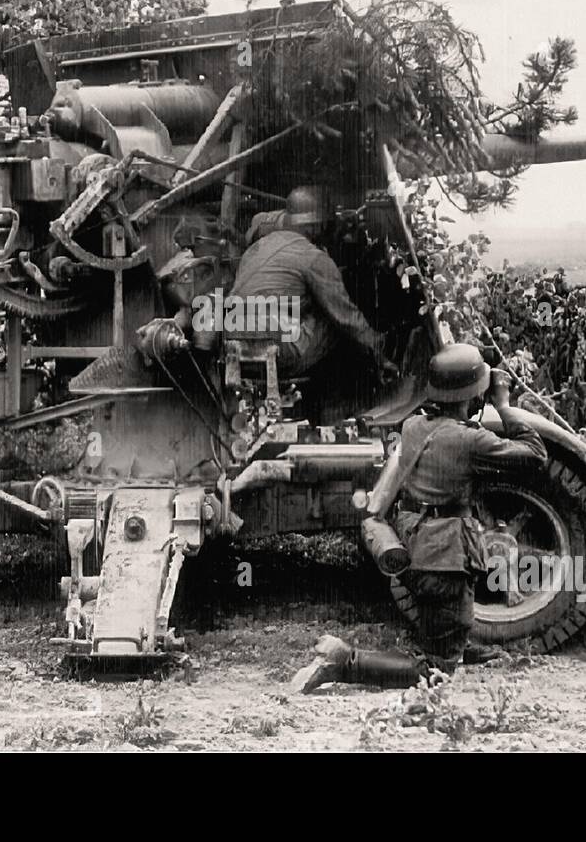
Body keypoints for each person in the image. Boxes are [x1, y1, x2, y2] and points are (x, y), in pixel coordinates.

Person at [292, 343, 548, 693]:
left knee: (445, 616)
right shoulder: (470, 441)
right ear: (472, 397)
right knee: (435, 671)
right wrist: (503, 405)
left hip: (413, 551)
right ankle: (346, 662)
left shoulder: (413, 425)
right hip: (443, 560)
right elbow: (536, 454)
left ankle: (452, 643)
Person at [227, 186, 394, 378]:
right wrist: (380, 347)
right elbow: (346, 317)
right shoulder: (313, 257)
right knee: (333, 319)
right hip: (277, 351)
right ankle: (335, 393)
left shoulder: (256, 247)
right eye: (324, 224)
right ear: (315, 226)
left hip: (232, 345)